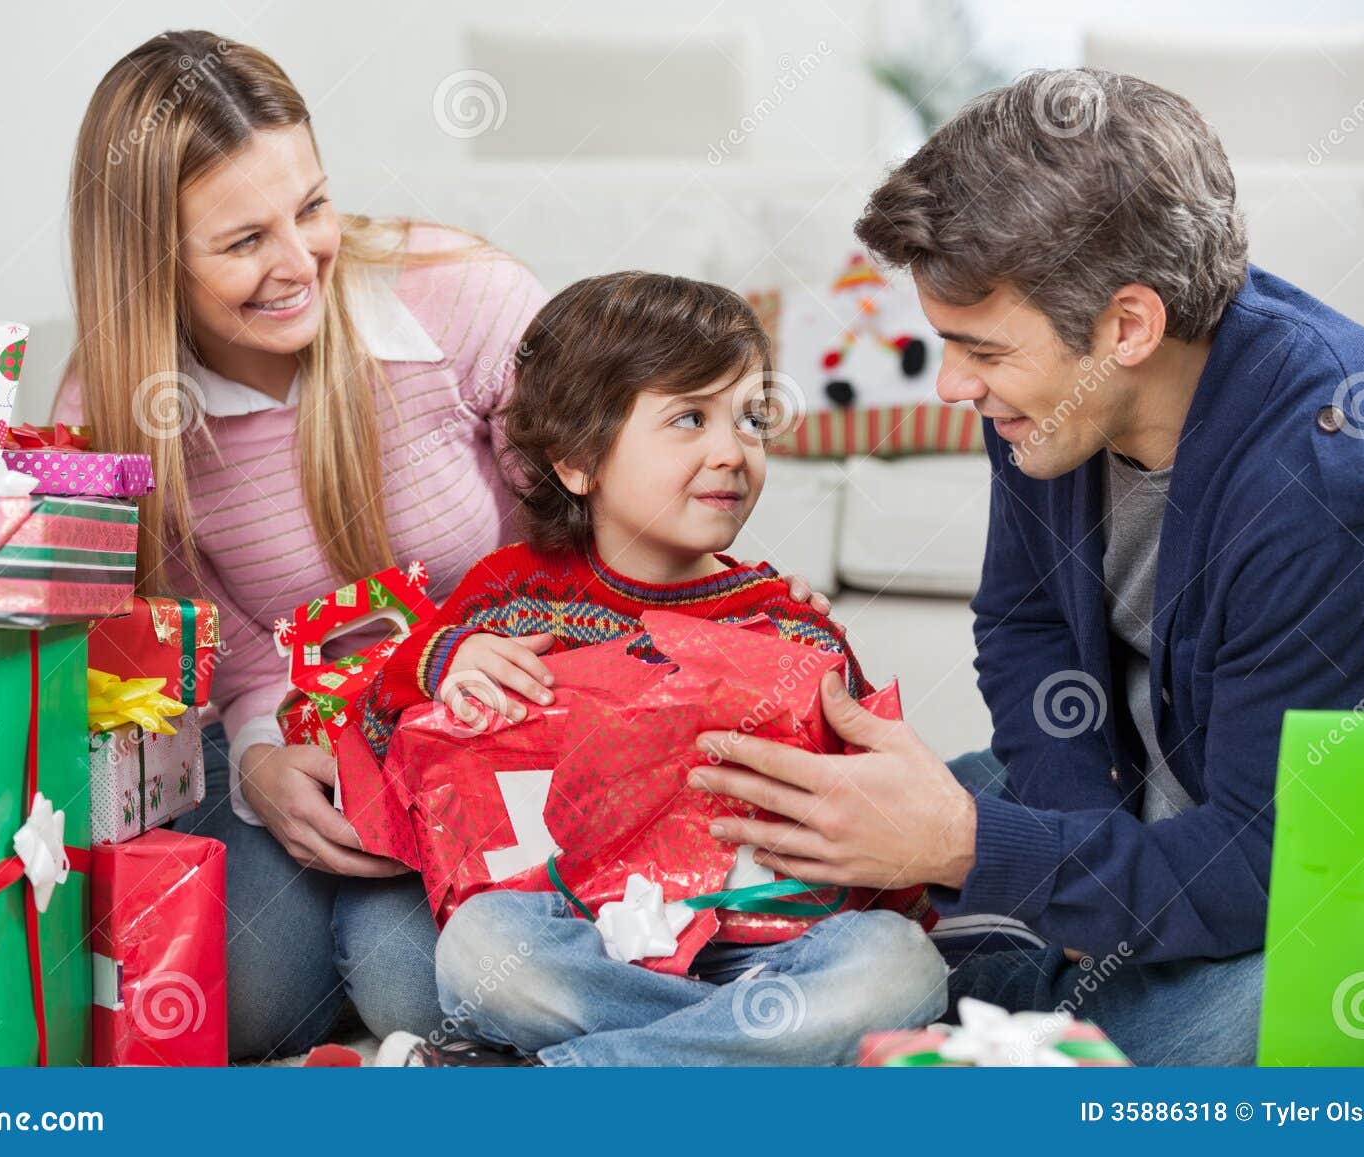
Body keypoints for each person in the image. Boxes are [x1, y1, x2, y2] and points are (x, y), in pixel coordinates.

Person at [55, 30, 829, 1060]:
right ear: (151, 258)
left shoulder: (462, 298)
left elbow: (599, 521)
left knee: (416, 981)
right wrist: (261, 762)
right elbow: (224, 642)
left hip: (500, 725)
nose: (299, 264)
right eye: (243, 242)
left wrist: (469, 695)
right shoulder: (117, 409)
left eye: (312, 207)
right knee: (236, 997)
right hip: (302, 736)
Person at [685, 69, 1364, 1066]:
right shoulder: (1047, 401)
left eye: (979, 348)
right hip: (1140, 794)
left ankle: (1003, 1016)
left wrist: (971, 850)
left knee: (1259, 1014)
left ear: (1128, 326)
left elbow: (1267, 862)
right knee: (819, 842)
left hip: (1316, 871)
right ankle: (1021, 1011)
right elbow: (1024, 623)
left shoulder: (1330, 481)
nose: (953, 383)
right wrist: (1054, 853)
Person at [364, 272, 948, 1067]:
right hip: (586, 941)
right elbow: (384, 703)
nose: (730, 450)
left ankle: (568, 1076)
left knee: (899, 964)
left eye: (750, 418)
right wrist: (448, 658)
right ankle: (739, 1058)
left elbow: (873, 798)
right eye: (688, 418)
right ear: (577, 458)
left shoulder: (789, 622)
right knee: (479, 947)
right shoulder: (509, 590)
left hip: (768, 949)